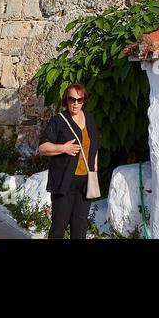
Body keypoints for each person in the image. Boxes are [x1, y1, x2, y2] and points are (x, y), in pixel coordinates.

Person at [37, 83, 99, 239]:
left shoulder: (90, 119)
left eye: (80, 99)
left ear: (84, 101)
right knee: (59, 226)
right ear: (66, 100)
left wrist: (94, 166)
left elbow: (94, 145)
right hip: (64, 181)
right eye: (72, 99)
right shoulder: (58, 121)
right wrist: (63, 148)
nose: (76, 103)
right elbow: (43, 148)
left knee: (80, 227)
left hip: (85, 183)